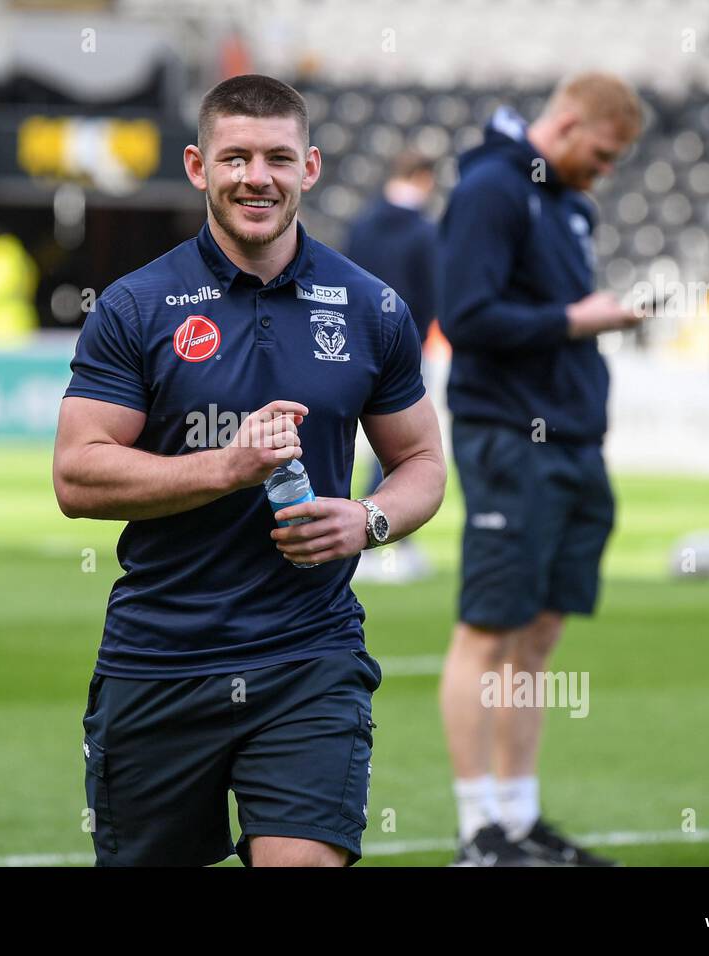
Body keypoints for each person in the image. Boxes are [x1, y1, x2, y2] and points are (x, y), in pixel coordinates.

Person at [52, 74, 447, 867]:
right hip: (160, 658)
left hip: (310, 657)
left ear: (312, 166)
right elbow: (77, 476)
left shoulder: (373, 308)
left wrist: (367, 521)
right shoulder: (137, 305)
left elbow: (422, 461)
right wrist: (230, 466)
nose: (256, 177)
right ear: (199, 167)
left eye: (277, 158)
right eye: (235, 159)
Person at [436, 73, 644, 865]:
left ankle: (519, 819)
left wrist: (583, 322)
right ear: (565, 124)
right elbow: (466, 315)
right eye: (602, 152)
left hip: (573, 443)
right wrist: (577, 319)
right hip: (511, 439)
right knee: (488, 631)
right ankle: (476, 830)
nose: (606, 169)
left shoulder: (568, 203)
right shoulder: (492, 189)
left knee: (538, 638)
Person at [346, 150, 440, 583]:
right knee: (402, 450)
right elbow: (430, 295)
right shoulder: (424, 231)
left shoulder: (362, 224)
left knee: (347, 443)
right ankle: (379, 533)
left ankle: (340, 525)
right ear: (422, 177)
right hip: (406, 351)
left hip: (350, 345)